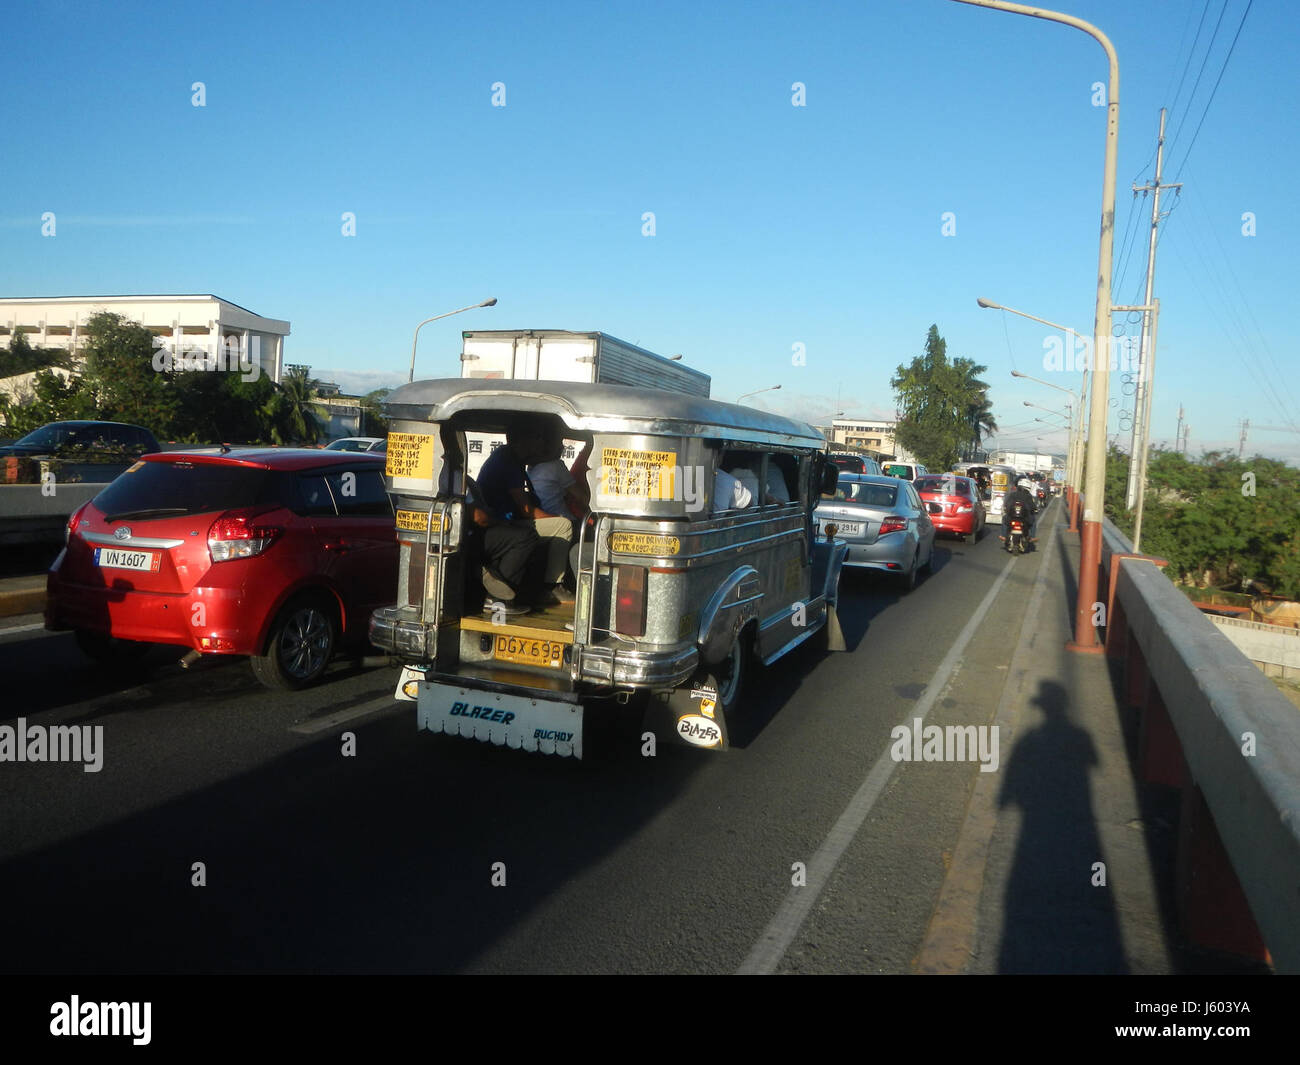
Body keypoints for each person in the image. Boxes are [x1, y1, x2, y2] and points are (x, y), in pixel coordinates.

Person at [476, 416, 575, 606]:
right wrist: (557, 518)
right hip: (501, 522)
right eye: (539, 438)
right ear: (525, 441)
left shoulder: (510, 457)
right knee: (563, 526)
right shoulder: (508, 462)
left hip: (504, 519)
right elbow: (527, 510)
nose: (543, 443)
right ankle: (552, 588)